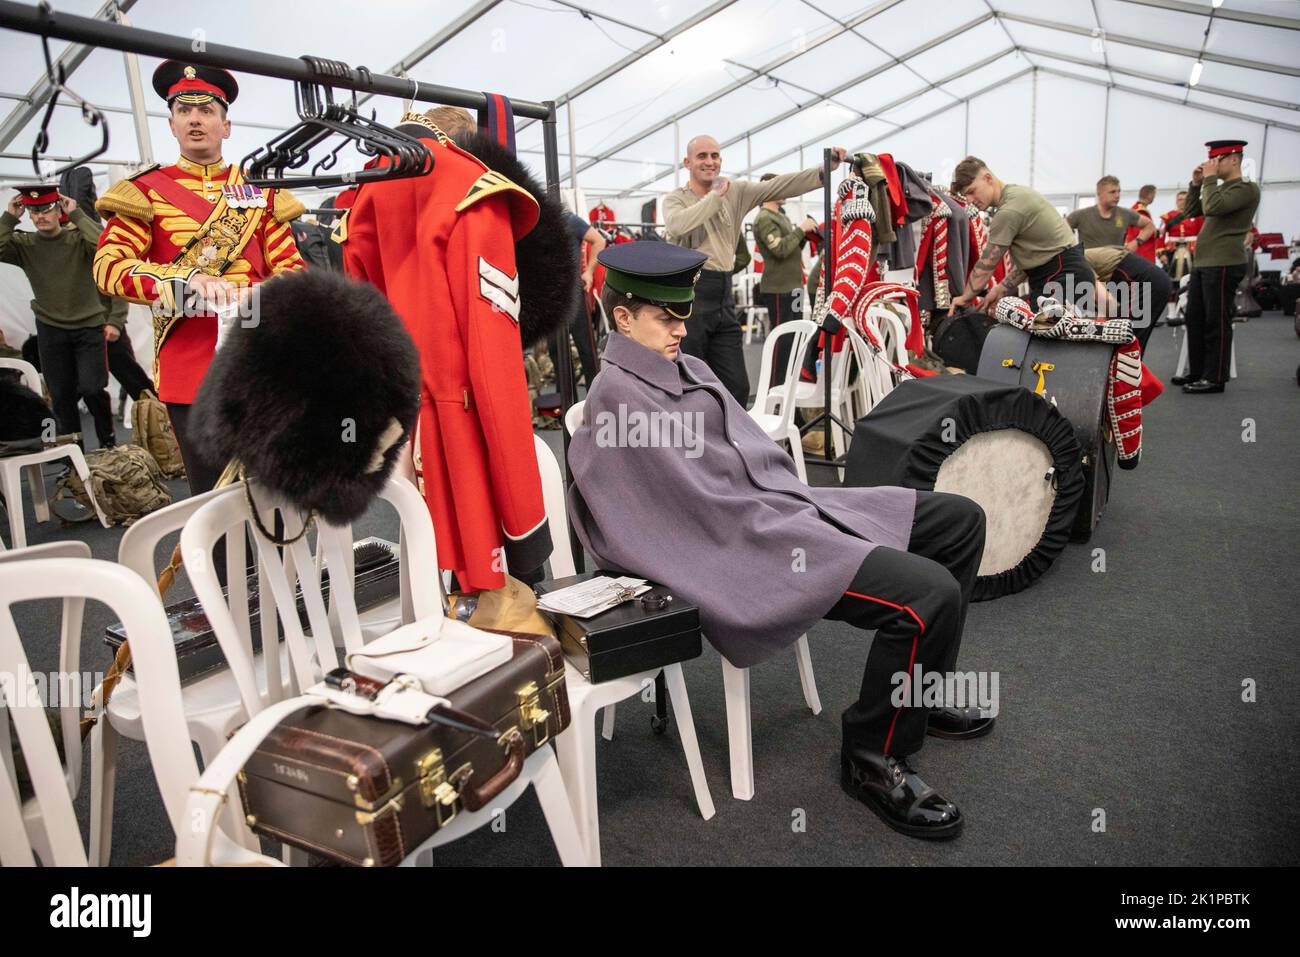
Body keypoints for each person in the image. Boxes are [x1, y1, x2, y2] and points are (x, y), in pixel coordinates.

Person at [569, 241, 992, 841]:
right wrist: (770, 526)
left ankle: (920, 692)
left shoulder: (686, 366)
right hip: (749, 545)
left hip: (786, 508)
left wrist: (797, 506)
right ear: (623, 317)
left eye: (683, 315)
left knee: (961, 519)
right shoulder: (616, 397)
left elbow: (754, 456)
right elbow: (643, 518)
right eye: (667, 317)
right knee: (930, 596)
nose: (681, 329)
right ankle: (873, 757)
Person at [342, 109, 552, 591]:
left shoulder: (365, 197)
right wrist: (526, 532)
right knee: (500, 596)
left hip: (403, 418)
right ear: (466, 140)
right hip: (465, 421)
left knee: (426, 555)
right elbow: (491, 357)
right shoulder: (473, 190)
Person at [93, 61, 306, 494]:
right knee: (214, 498)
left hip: (258, 361)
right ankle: (225, 567)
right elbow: (109, 267)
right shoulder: (145, 191)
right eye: (184, 110)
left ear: (226, 125)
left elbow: (294, 273)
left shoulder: (261, 192)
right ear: (170, 123)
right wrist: (182, 281)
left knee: (279, 490)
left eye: (207, 109)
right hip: (188, 366)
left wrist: (254, 296)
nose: (195, 118)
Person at [662, 135, 846, 403]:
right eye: (702, 156)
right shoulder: (675, 200)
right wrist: (715, 197)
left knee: (736, 385)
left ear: (721, 160)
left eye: (714, 156)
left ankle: (729, 440)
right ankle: (695, 443)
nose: (709, 161)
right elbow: (678, 225)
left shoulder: (735, 191)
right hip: (691, 295)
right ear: (687, 162)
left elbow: (779, 184)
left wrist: (821, 172)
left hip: (724, 294)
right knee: (690, 384)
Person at [1, 185, 116, 448]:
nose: (40, 216)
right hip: (51, 328)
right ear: (27, 214)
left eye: (46, 209)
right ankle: (71, 456)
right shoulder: (25, 245)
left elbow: (104, 245)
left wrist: (76, 215)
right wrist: (9, 218)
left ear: (58, 209)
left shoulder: (78, 241)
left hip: (88, 326)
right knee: (62, 396)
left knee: (92, 389)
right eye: (34, 211)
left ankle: (109, 445)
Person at [948, 156, 1095, 315]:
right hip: (1066, 275)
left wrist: (964, 298)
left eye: (971, 191)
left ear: (988, 178)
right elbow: (1038, 259)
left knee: (1039, 335)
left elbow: (986, 265)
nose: (969, 200)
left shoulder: (1008, 211)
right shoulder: (1017, 194)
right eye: (966, 195)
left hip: (1064, 279)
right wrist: (1001, 288)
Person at [1172, 139, 1261, 394]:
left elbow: (1213, 207)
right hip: (1206, 263)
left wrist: (1209, 180)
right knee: (1195, 318)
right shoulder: (1219, 189)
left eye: (1217, 159)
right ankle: (1198, 371)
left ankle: (1215, 377)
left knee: (1216, 321)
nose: (1212, 163)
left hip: (1224, 262)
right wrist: (1197, 184)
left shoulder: (1246, 189)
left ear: (1234, 159)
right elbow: (1191, 211)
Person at [753, 173, 817, 382]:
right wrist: (800, 230)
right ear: (770, 190)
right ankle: (774, 389)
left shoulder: (781, 216)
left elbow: (790, 249)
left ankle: (791, 385)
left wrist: (805, 236)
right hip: (779, 289)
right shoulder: (764, 219)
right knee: (782, 342)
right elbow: (779, 250)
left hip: (794, 286)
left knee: (795, 337)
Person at [1083, 246, 1172, 354]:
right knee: (1130, 347)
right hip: (1150, 280)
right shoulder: (1075, 259)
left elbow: (1108, 303)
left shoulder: (1075, 264)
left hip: (1146, 282)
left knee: (1123, 344)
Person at [566, 209, 607, 387]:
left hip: (574, 292)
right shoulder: (535, 219)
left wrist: (589, 272)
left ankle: (595, 395)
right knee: (556, 353)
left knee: (585, 347)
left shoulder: (567, 218)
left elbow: (599, 240)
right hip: (551, 297)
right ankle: (562, 402)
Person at [1065, 176, 1156, 253]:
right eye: (1112, 192)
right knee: (1068, 273)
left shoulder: (1125, 214)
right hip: (1089, 268)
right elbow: (1059, 229)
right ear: (1099, 193)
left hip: (1116, 267)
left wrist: (1137, 242)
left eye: (1119, 191)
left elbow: (1149, 225)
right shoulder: (1081, 215)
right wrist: (1071, 249)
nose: (1117, 195)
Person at [1126, 184, 1159, 262]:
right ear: (1150, 195)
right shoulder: (1141, 211)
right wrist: (1157, 232)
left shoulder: (1136, 208)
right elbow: (1143, 232)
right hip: (1143, 252)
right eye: (1154, 195)